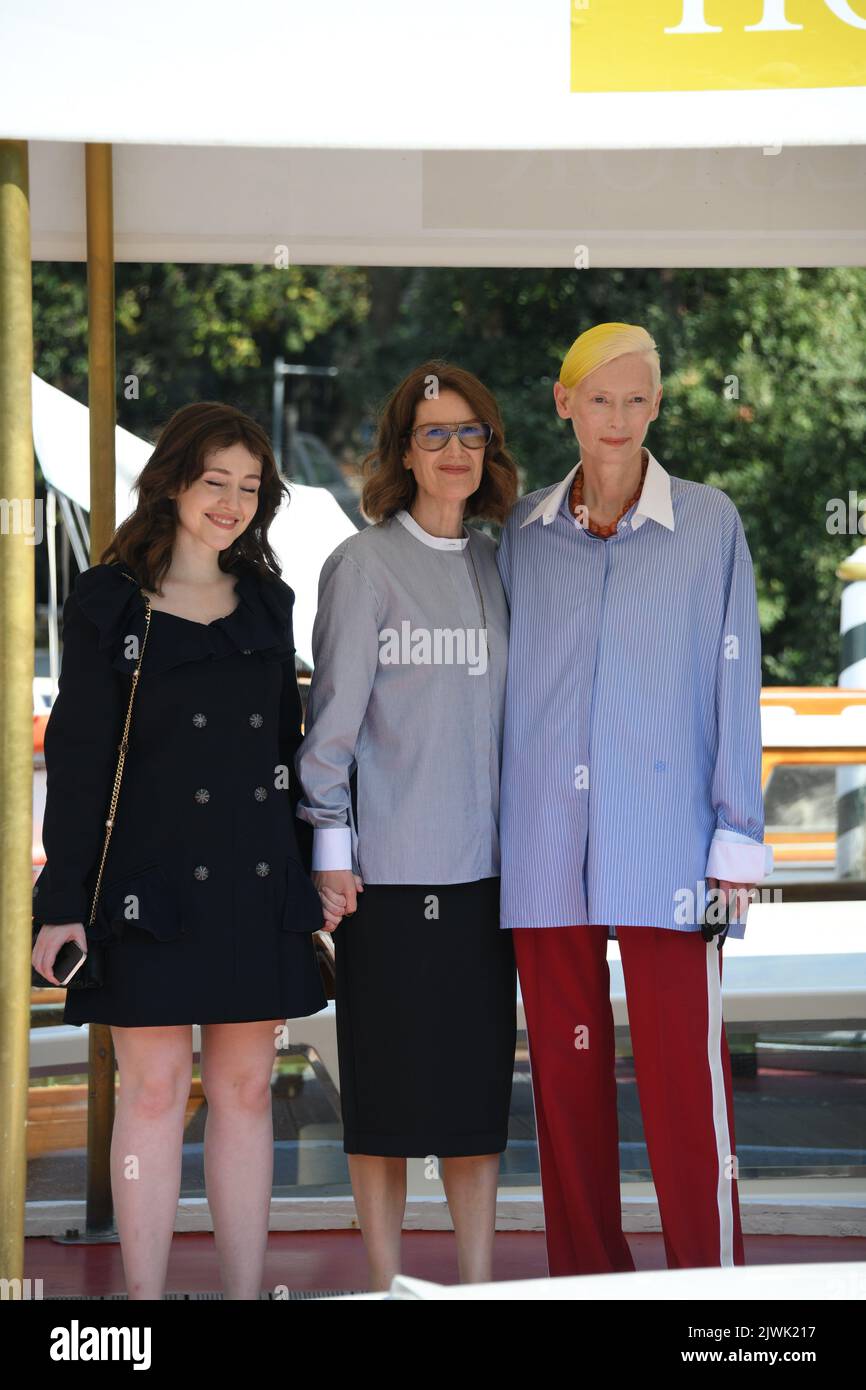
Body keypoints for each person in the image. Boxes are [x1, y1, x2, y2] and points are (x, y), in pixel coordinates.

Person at [31, 402, 326, 1300]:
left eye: (250, 488)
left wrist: (314, 876)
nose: (231, 503)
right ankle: (144, 1303)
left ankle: (245, 1294)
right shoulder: (108, 600)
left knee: (245, 1094)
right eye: (214, 482)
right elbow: (79, 759)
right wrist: (61, 904)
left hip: (254, 880)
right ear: (172, 484)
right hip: (145, 888)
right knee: (153, 1093)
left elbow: (288, 751)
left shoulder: (270, 601)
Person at [495, 322, 773, 1276]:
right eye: (599, 399)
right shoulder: (520, 536)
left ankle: (713, 1295)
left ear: (656, 407)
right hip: (545, 846)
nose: (617, 420)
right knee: (565, 1090)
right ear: (564, 403)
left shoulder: (710, 523)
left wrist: (737, 839)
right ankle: (587, 1285)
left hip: (672, 852)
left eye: (636, 400)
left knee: (686, 1091)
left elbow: (737, 685)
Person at [295, 361, 519, 1291]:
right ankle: (385, 1284)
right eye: (435, 434)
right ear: (403, 451)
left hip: (487, 883)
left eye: (471, 433)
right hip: (383, 884)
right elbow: (329, 729)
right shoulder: (362, 565)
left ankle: (476, 1284)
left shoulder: (499, 562)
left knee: (473, 1107)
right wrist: (331, 855)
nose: (455, 450)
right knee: (383, 1106)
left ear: (489, 448)